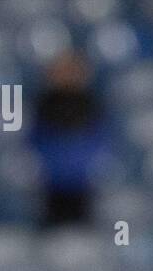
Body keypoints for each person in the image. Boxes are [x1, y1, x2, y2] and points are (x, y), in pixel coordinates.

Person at [30, 51, 109, 227]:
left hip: (82, 185)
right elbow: (35, 141)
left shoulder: (93, 106)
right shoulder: (42, 106)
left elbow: (98, 143)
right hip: (50, 185)